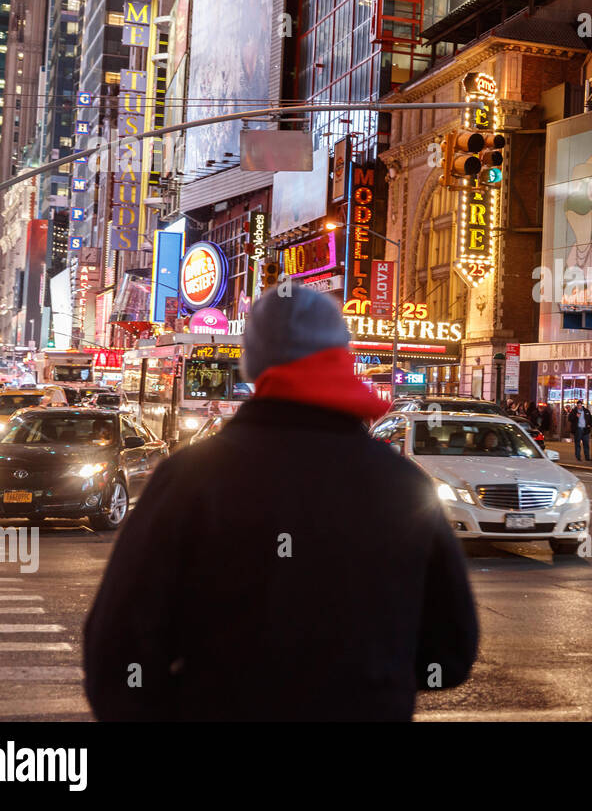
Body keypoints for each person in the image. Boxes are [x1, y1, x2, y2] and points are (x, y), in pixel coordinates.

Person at [83, 286, 478, 720]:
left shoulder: (190, 478)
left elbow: (117, 651)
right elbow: (451, 652)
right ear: (341, 352)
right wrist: (375, 674)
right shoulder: (402, 485)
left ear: (251, 363)